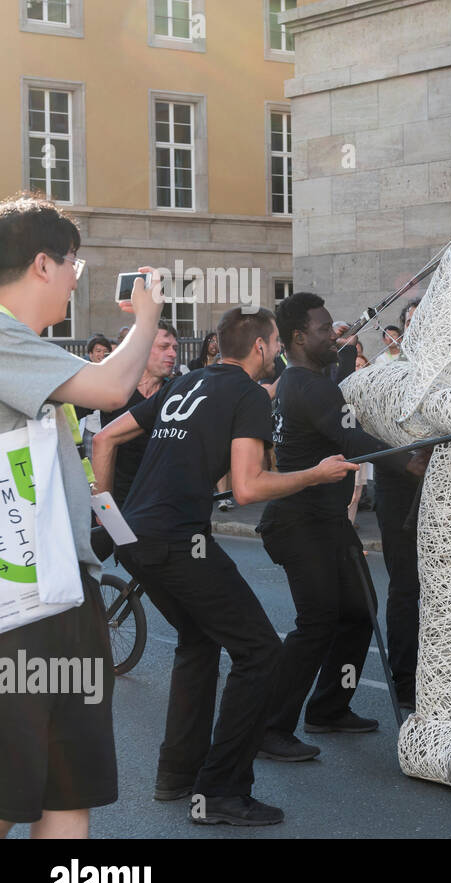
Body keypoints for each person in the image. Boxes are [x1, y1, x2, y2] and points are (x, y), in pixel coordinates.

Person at [91, 306, 357, 826]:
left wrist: (110, 515)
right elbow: (249, 486)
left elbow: (104, 438)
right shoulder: (246, 394)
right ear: (260, 347)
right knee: (260, 652)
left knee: (199, 641)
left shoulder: (186, 384)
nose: (278, 351)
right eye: (276, 342)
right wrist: (315, 474)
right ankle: (220, 792)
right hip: (176, 540)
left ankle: (177, 775)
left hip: (135, 537)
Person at [0, 197, 164, 840]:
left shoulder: (32, 348)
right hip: (21, 602)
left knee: (70, 786)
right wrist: (148, 318)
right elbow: (111, 386)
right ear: (43, 263)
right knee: (14, 790)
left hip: (66, 591)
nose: (77, 276)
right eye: (74, 263)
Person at [257, 293, 424, 762]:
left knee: (359, 611)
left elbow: (338, 390)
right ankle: (270, 727)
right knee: (317, 623)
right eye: (324, 328)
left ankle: (329, 706)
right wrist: (411, 460)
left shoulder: (306, 378)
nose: (333, 333)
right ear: (297, 338)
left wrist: (344, 354)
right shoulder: (308, 387)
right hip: (297, 522)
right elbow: (353, 437)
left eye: (334, 326)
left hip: (327, 521)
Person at [96, 321, 178, 506]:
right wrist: (104, 507)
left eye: (174, 347)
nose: (172, 353)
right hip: (123, 503)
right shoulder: (115, 391)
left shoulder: (178, 394)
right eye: (164, 347)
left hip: (165, 504)